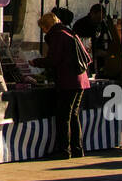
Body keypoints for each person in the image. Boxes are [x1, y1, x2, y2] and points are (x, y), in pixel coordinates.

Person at [35, 9, 90, 159]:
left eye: (43, 29)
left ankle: (64, 150)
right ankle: (77, 149)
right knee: (73, 115)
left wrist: (36, 62)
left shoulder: (58, 36)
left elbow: (54, 60)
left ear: (46, 27)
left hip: (68, 81)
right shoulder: (69, 32)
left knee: (64, 116)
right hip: (81, 79)